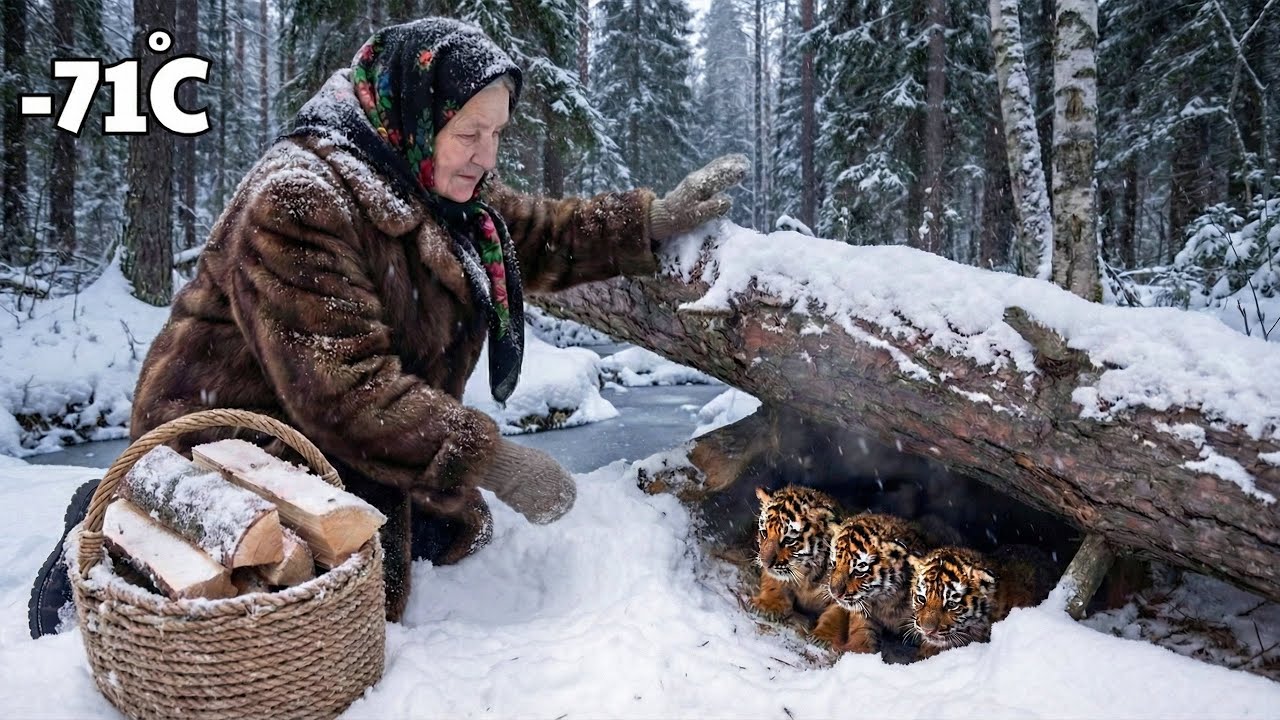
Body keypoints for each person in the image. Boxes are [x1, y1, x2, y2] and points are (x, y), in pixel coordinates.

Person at [29, 16, 746, 635]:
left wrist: (648, 222)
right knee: (301, 610)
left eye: (497, 132)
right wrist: (493, 461)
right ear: (418, 112)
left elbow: (531, 232)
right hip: (237, 448)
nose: (486, 155)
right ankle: (107, 522)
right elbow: (346, 388)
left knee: (440, 539)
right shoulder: (299, 198)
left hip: (351, 445)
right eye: (470, 132)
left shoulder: (421, 169)